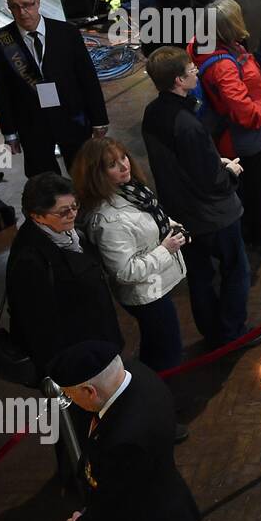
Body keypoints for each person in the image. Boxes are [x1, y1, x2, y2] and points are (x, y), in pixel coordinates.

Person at [55, 341, 210, 521]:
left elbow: (117, 508)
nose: (70, 402)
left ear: (90, 391)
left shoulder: (124, 440)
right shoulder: (139, 376)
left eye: (70, 395)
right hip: (173, 515)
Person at [141, 46, 261, 349]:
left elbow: (181, 163)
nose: (197, 71)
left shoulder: (153, 113)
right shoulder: (187, 124)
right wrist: (231, 169)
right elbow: (212, 181)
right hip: (211, 213)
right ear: (178, 81)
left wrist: (212, 162)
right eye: (190, 70)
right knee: (236, 269)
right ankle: (232, 331)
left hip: (180, 212)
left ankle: (212, 332)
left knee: (199, 276)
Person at [72, 137, 187, 373]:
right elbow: (125, 271)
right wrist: (166, 250)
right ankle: (160, 395)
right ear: (97, 174)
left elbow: (151, 222)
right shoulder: (108, 219)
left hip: (155, 284)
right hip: (145, 293)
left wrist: (173, 227)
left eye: (124, 157)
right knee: (166, 350)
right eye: (112, 164)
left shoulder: (132, 191)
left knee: (159, 343)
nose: (124, 166)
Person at [5, 173, 124, 385]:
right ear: (37, 216)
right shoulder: (30, 261)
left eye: (75, 206)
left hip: (96, 335)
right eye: (63, 211)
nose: (72, 215)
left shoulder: (67, 233)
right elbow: (39, 325)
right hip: (78, 356)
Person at [0, 0, 108, 177]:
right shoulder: (0, 40)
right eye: (15, 7)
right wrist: (9, 132)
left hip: (72, 116)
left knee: (86, 174)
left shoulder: (67, 33)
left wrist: (99, 119)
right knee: (43, 179)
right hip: (32, 122)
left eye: (27, 5)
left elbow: (88, 79)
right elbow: (1, 89)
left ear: (38, 2)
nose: (22, 12)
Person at [191, 0, 261, 247]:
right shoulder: (223, 65)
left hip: (231, 133)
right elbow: (240, 107)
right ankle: (260, 233)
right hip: (243, 136)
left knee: (248, 186)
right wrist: (260, 114)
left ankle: (254, 230)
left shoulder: (203, 45)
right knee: (255, 187)